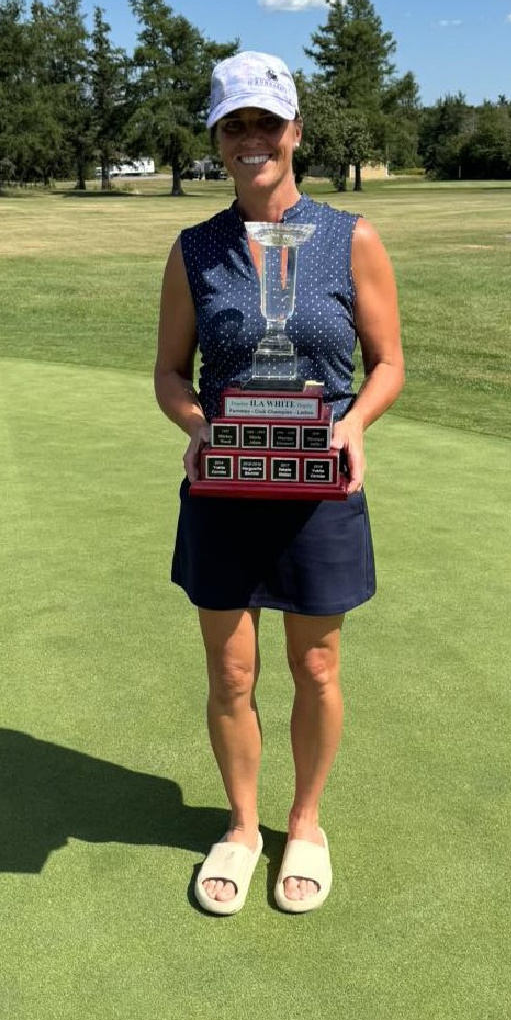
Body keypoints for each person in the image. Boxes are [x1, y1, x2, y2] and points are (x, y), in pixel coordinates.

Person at [153, 50, 404, 916]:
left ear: (295, 131)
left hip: (319, 483)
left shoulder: (349, 237)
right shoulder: (194, 250)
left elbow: (389, 364)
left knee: (319, 665)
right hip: (227, 486)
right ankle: (243, 826)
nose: (251, 138)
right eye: (234, 125)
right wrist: (200, 431)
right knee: (230, 674)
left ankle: (306, 823)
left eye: (265, 121)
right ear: (218, 143)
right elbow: (169, 375)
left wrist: (353, 424)